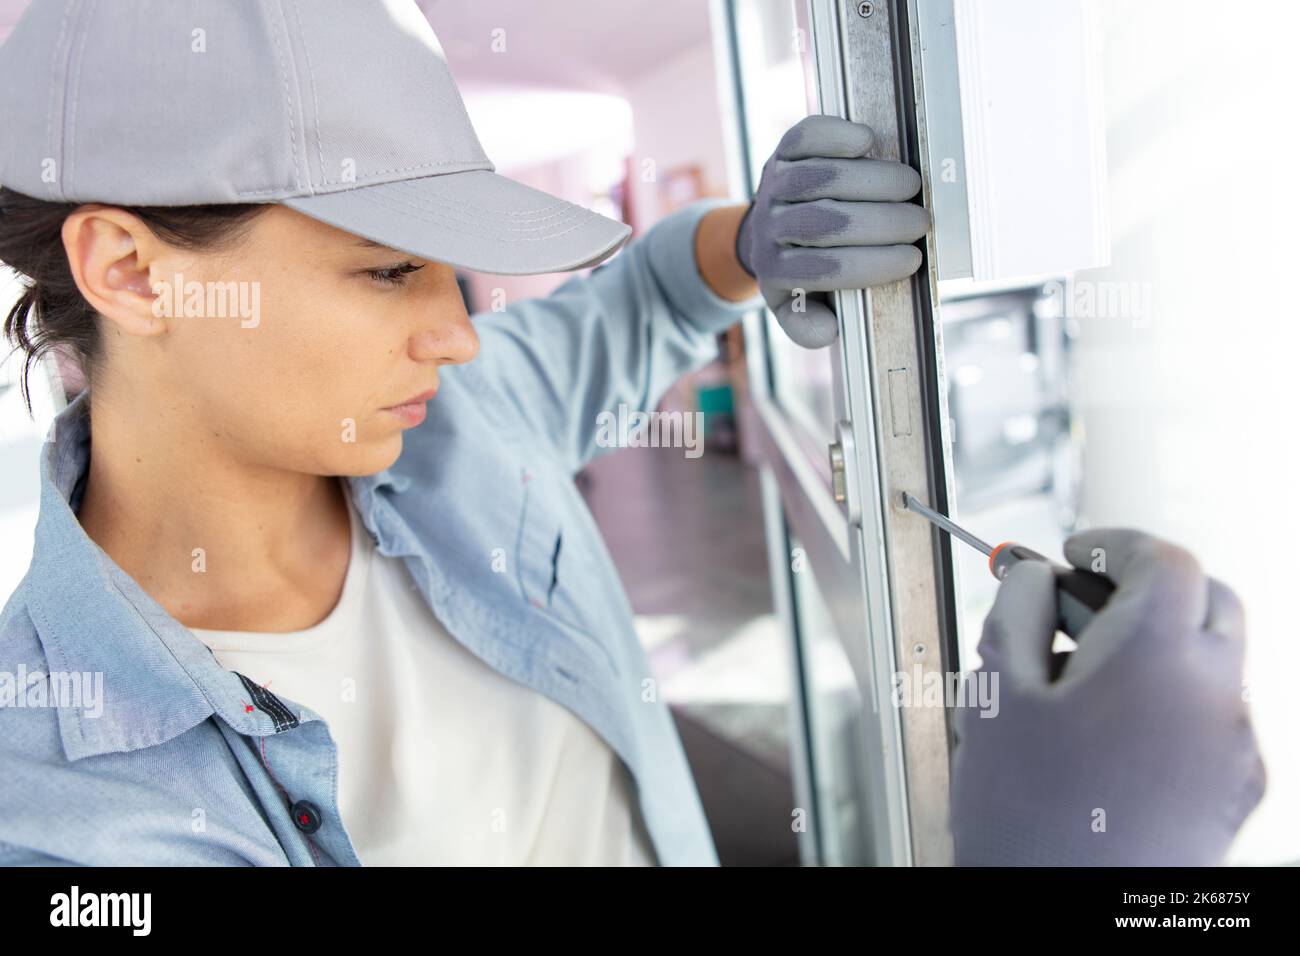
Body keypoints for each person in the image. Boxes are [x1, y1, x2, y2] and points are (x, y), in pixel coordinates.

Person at [0, 0, 1261, 867]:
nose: (458, 334)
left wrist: (760, 237)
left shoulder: (456, 435)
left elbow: (650, 293)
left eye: (460, 272)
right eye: (389, 272)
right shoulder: (63, 811)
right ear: (131, 269)